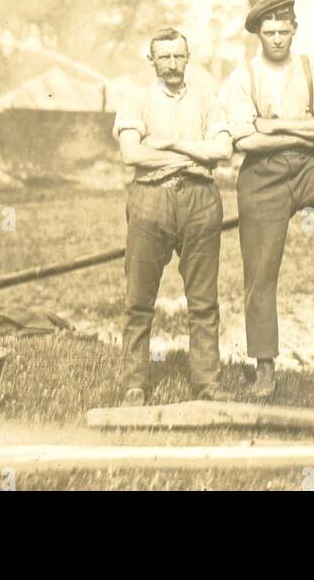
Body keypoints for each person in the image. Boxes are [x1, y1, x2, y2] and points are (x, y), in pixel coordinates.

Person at [220, 0, 314, 398]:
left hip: (309, 167)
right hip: (262, 179)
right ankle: (265, 366)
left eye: (284, 31)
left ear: (294, 30)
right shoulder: (241, 78)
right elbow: (244, 139)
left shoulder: (313, 68)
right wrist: (303, 125)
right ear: (258, 35)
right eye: (269, 32)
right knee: (261, 274)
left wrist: (276, 126)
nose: (277, 39)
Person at [113, 29, 233, 406]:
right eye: (163, 57)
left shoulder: (206, 99)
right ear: (152, 61)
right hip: (151, 199)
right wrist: (194, 156)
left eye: (178, 56)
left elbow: (224, 149)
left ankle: (206, 383)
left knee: (203, 301)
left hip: (200, 200)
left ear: (188, 57)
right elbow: (132, 155)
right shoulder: (137, 99)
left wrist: (171, 145)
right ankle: (135, 383)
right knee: (139, 298)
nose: (171, 64)